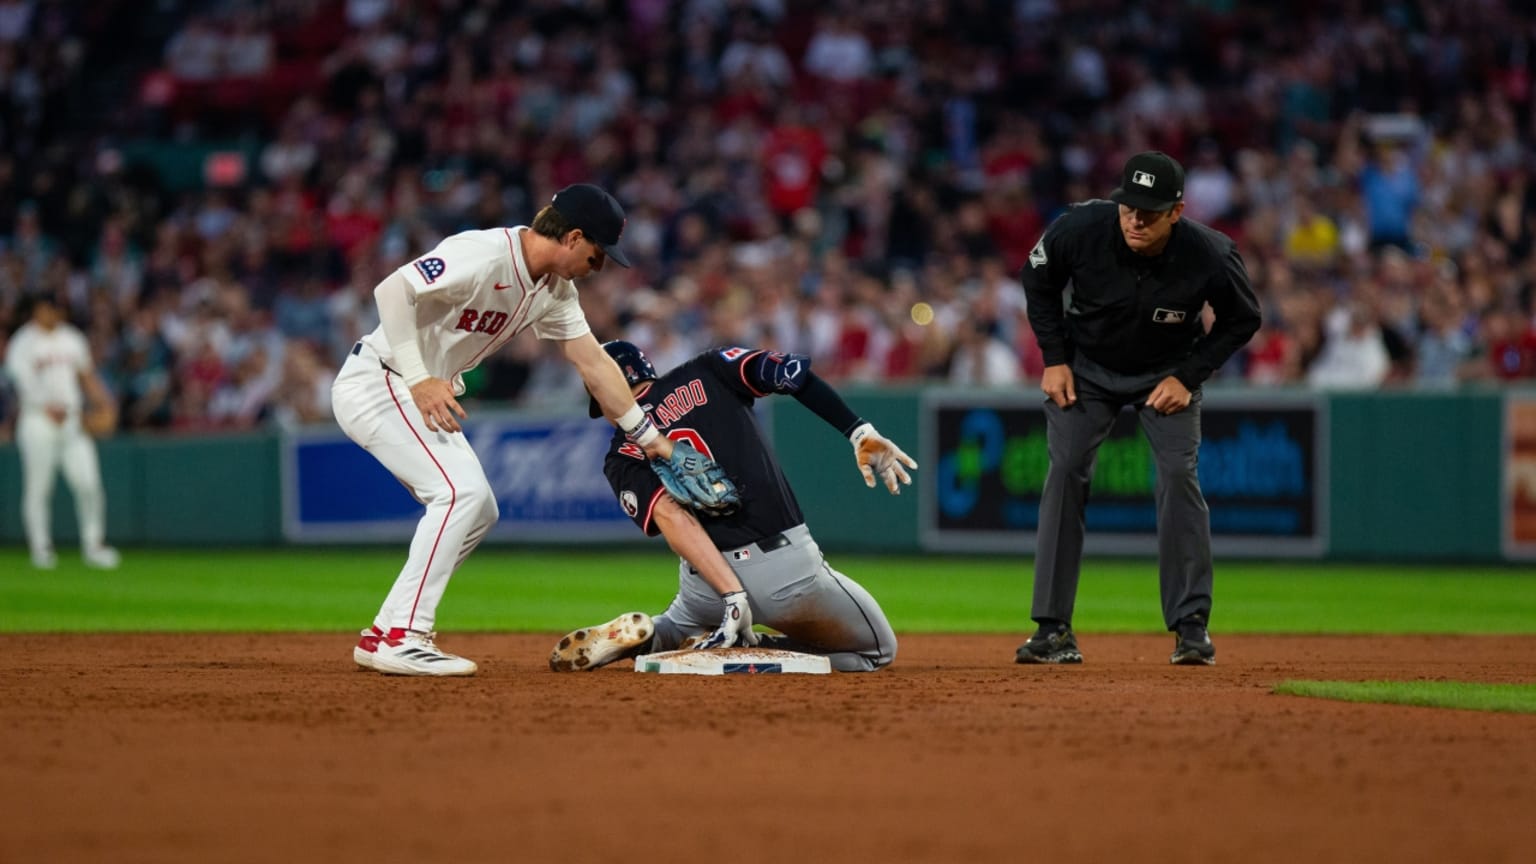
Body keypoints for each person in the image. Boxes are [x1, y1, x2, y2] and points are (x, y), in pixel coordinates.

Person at [334, 184, 732, 677]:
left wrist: (651, 440)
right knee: (459, 494)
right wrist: (419, 379)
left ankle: (385, 630)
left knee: (479, 507)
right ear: (572, 236)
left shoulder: (554, 292)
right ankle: (403, 636)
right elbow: (391, 290)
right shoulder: (484, 253)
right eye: (598, 253)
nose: (601, 266)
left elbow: (594, 363)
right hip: (382, 380)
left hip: (408, 389)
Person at [1018, 151, 1261, 666]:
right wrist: (1054, 358)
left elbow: (1244, 318)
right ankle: (1052, 629)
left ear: (1177, 211)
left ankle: (1191, 627)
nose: (1135, 219)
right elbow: (1036, 278)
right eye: (1129, 206)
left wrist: (1189, 375)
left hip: (1167, 372)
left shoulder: (1209, 253)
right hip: (1086, 368)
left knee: (1178, 476)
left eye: (1150, 211)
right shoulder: (1081, 228)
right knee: (1064, 471)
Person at [548, 339, 915, 673]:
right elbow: (791, 375)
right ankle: (757, 647)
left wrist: (730, 594)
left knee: (682, 622)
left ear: (604, 391)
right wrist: (858, 431)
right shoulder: (709, 369)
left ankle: (661, 634)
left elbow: (671, 517)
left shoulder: (620, 454)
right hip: (786, 574)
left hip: (705, 586)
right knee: (878, 650)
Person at [3, 293, 121, 570]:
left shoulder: (72, 338)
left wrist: (105, 403)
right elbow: (23, 383)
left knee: (89, 484)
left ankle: (94, 545)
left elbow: (87, 376)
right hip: (37, 420)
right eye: (50, 308)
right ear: (38, 310)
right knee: (39, 488)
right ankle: (41, 548)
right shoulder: (23, 342)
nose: (54, 313)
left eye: (58, 308)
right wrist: (45, 406)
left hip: (72, 419)